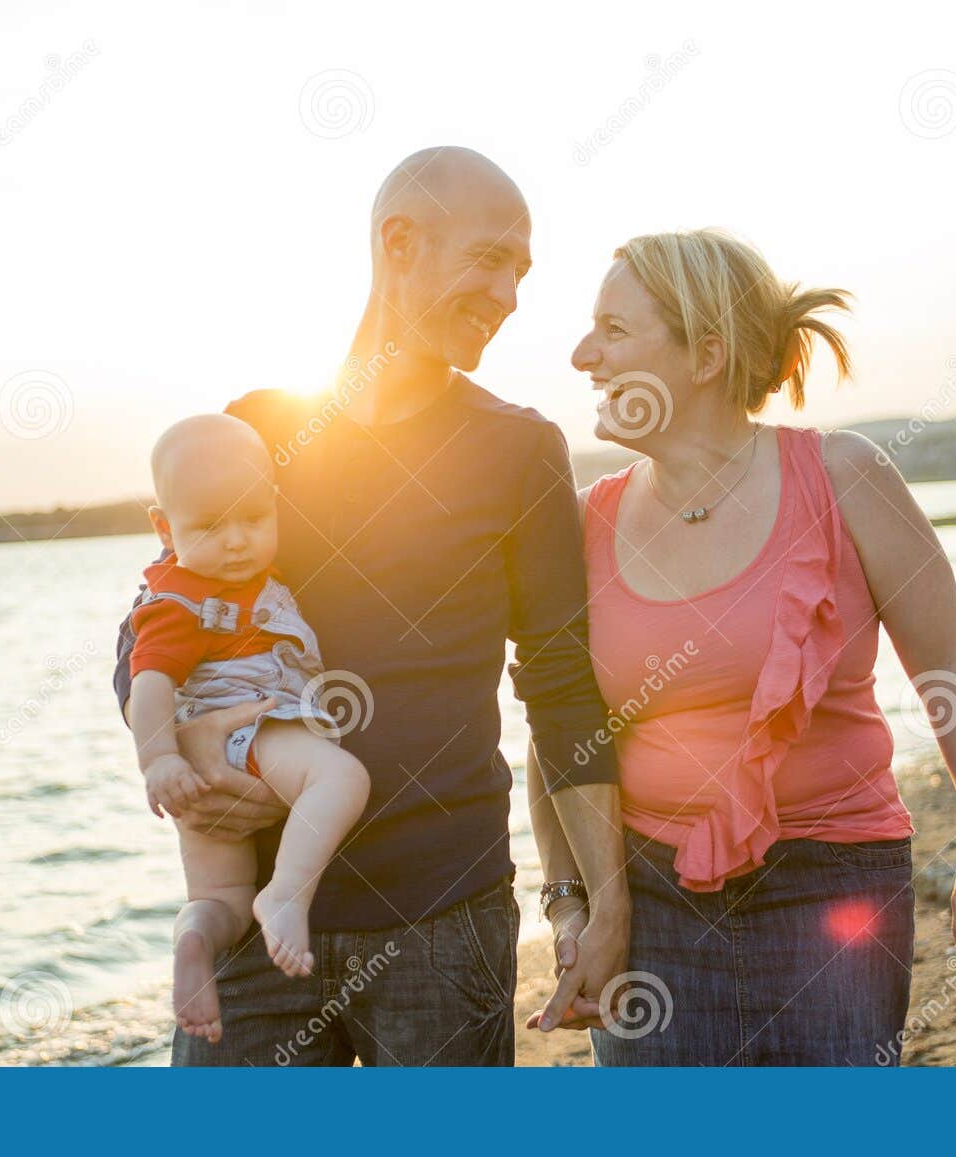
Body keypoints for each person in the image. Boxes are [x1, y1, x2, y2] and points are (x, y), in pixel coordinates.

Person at [113, 147, 629, 1066]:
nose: (509, 293)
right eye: (489, 259)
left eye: (521, 270)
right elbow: (156, 618)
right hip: (259, 908)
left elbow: (558, 683)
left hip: (442, 913)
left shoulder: (520, 448)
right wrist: (183, 752)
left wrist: (598, 896)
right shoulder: (260, 427)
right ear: (400, 244)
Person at [529, 228, 956, 1065]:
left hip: (835, 882)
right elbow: (560, 727)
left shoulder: (845, 477)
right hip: (649, 897)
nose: (584, 355)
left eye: (614, 331)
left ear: (708, 355)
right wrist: (572, 900)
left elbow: (950, 665)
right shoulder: (585, 521)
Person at [127, 413, 370, 1044]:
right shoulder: (181, 604)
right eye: (209, 527)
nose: (236, 542)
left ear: (276, 507)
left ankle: (193, 940)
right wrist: (158, 761)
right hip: (246, 725)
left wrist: (172, 765)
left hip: (199, 771)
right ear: (163, 527)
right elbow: (148, 680)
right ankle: (288, 894)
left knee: (222, 901)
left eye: (254, 520)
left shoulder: (212, 581)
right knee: (340, 777)